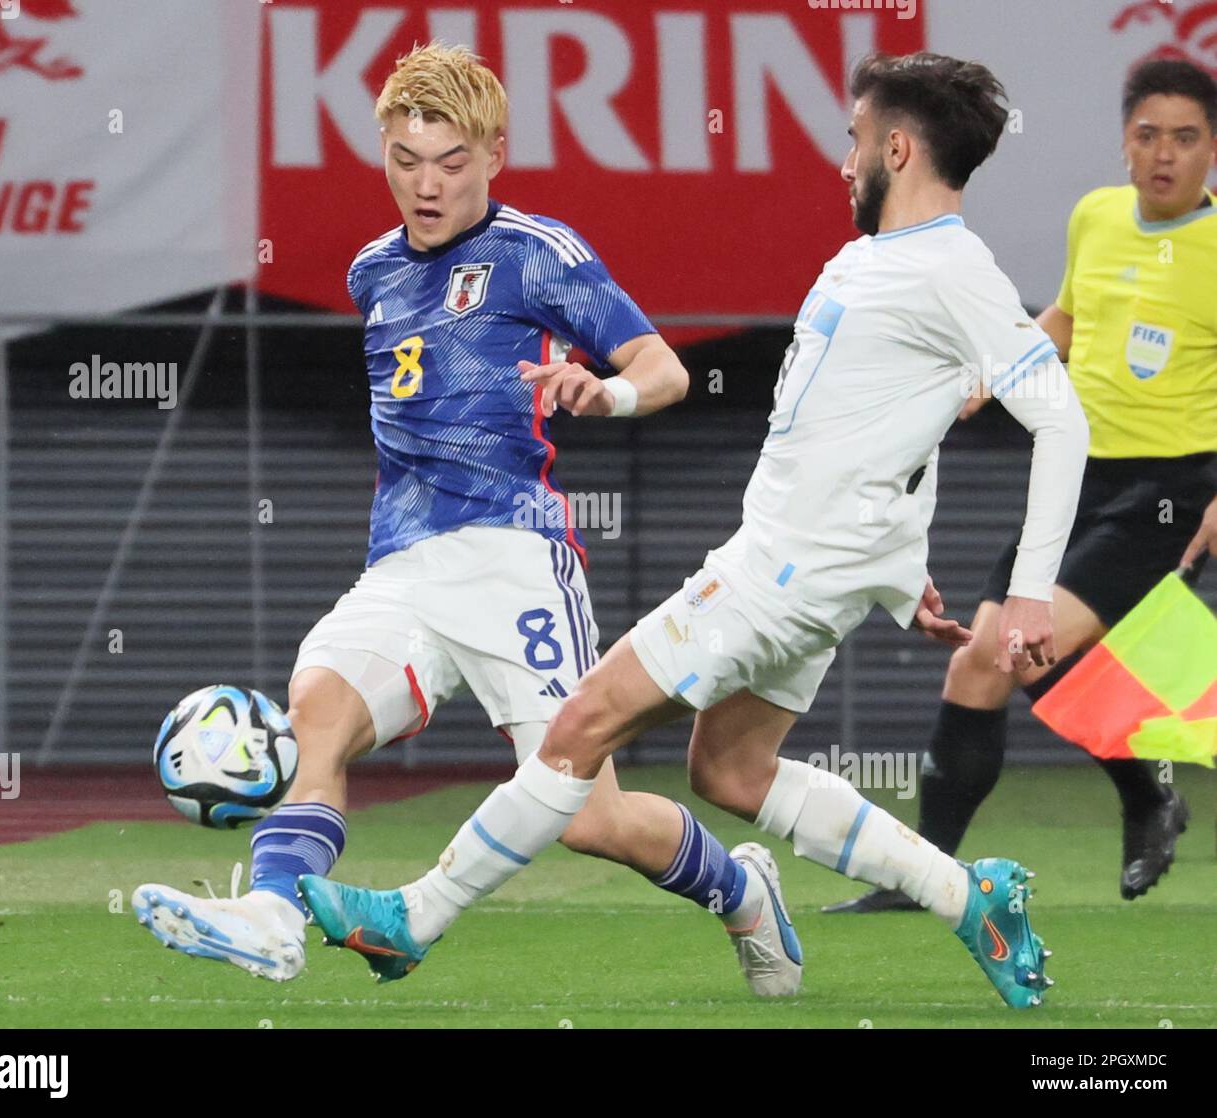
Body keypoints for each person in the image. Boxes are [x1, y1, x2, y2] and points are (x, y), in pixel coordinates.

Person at [299, 51, 1090, 1009]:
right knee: (730, 768)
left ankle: (411, 918)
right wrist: (895, 563)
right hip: (815, 567)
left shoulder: (951, 268)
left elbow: (1061, 418)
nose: (842, 163)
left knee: (580, 725)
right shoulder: (881, 259)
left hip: (778, 576)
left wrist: (1032, 590)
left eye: (851, 141)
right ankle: (972, 899)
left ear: (895, 146)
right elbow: (879, 424)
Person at [131, 42, 806, 997]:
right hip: (400, 566)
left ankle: (743, 892)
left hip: (513, 556)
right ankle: (275, 920)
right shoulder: (372, 272)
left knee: (588, 817)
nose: (426, 184)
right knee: (313, 722)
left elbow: (665, 369)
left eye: (450, 161)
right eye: (406, 162)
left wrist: (600, 393)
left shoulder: (538, 254)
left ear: (493, 151)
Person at [829, 58, 1217, 914]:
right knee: (976, 666)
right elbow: (1069, 322)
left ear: (1212, 149)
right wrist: (991, 369)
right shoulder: (1097, 218)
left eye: (1185, 138)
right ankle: (921, 878)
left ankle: (1148, 794)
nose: (1163, 154)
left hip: (1170, 492)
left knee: (1020, 650)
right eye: (1147, 134)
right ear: (1123, 141)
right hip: (1077, 477)